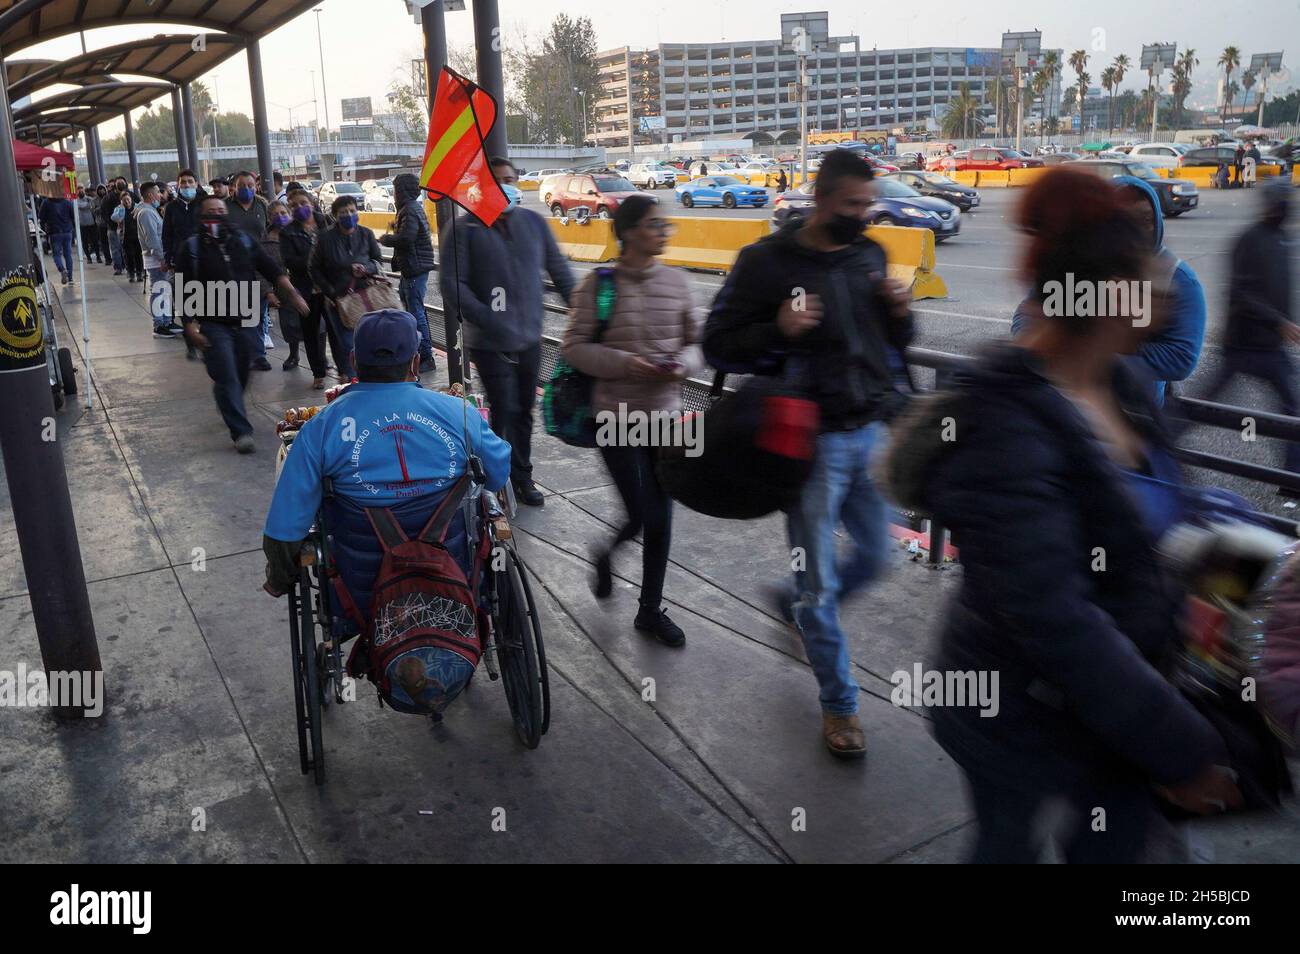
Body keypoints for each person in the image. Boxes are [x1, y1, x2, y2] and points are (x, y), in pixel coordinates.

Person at [883, 167, 1241, 862]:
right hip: (1017, 713)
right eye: (1149, 274)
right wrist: (1180, 746)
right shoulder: (1003, 423)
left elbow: (1163, 524)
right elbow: (1058, 620)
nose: (1170, 289)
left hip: (1111, 715)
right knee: (1010, 844)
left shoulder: (1126, 383)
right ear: (1109, 297)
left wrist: (1246, 581)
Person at [703, 148, 914, 758]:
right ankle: (840, 705)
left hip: (869, 432)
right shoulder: (766, 262)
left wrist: (899, 317)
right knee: (818, 584)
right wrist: (779, 328)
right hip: (810, 446)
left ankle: (795, 611)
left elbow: (892, 344)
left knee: (877, 558)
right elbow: (718, 346)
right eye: (852, 205)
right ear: (820, 200)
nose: (864, 215)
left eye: (868, 204)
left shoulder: (870, 254)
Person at [261, 311, 512, 636]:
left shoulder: (321, 429)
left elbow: (284, 529)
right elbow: (496, 474)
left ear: (353, 360)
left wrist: (280, 577)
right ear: (414, 363)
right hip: (457, 573)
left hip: (363, 598)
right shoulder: (458, 413)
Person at [561, 195, 701, 648]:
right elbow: (574, 348)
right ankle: (607, 553)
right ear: (628, 233)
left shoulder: (678, 283)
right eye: (652, 225)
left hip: (668, 416)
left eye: (663, 225)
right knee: (640, 514)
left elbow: (701, 344)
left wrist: (682, 364)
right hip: (614, 416)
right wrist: (625, 363)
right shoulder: (596, 286)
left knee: (662, 517)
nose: (661, 231)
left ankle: (648, 611)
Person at [439, 155, 577, 506]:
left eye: (510, 178)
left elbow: (560, 272)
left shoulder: (533, 223)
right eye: (497, 179)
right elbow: (454, 286)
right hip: (489, 342)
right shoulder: (463, 230)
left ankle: (522, 477)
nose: (506, 185)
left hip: (529, 338)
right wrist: (486, 317)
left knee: (524, 412)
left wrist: (584, 310)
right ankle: (493, 479)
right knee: (504, 409)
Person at [1011, 175, 1207, 403]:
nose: (1134, 230)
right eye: (1122, 220)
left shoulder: (1178, 278)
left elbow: (1180, 357)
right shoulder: (1073, 263)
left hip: (1136, 408)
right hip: (1066, 401)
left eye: (1145, 219)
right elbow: (1026, 316)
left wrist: (1096, 356)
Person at [177, 196, 309, 453]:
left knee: (242, 370)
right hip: (213, 320)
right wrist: (189, 325)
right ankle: (241, 431)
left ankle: (226, 396)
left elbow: (272, 269)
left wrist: (292, 293)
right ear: (201, 218)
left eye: (221, 211)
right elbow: (182, 289)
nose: (217, 216)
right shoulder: (191, 248)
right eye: (211, 212)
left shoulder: (244, 241)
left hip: (247, 316)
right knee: (226, 372)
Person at [1192, 179, 1300, 492]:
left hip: (1270, 346)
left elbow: (1277, 289)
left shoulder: (1280, 238)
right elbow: (1242, 292)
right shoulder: (1249, 240)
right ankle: (1164, 441)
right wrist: (1279, 322)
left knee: (1292, 411)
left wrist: (1284, 323)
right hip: (1243, 344)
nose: (1282, 209)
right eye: (1278, 204)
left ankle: (1292, 481)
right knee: (1206, 403)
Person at [309, 193, 384, 385]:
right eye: (343, 212)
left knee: (371, 337)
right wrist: (330, 292)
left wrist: (365, 268)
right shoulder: (325, 238)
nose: (348, 215)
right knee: (347, 342)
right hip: (339, 300)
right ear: (335, 216)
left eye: (352, 210)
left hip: (367, 296)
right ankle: (353, 378)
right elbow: (314, 268)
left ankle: (372, 376)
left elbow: (377, 261)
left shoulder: (366, 234)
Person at [379, 173, 436, 373]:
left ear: (401, 190)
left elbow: (407, 238)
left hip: (414, 268)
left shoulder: (409, 210)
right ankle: (420, 352)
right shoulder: (411, 208)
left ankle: (426, 356)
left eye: (395, 189)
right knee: (413, 310)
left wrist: (386, 239)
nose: (394, 194)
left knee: (416, 313)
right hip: (413, 267)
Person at [280, 188, 335, 388]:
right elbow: (290, 261)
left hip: (330, 288)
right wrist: (318, 259)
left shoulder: (327, 222)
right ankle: (318, 374)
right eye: (293, 205)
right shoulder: (288, 232)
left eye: (303, 202)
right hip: (306, 290)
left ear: (311, 202)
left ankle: (346, 371)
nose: (299, 207)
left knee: (336, 331)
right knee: (310, 333)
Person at [225, 170, 274, 367]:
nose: (246, 189)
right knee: (243, 312)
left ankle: (257, 353)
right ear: (234, 188)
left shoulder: (262, 205)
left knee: (260, 311)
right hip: (234, 265)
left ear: (256, 186)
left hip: (260, 263)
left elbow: (271, 229)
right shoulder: (225, 207)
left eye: (250, 185)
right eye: (242, 185)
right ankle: (248, 352)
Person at [136, 182, 179, 339]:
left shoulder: (150, 211)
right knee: (159, 290)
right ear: (150, 195)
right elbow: (153, 238)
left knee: (164, 290)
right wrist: (162, 258)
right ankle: (159, 324)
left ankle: (167, 321)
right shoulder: (146, 213)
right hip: (155, 258)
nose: (160, 195)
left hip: (158, 257)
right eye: (157, 192)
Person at [263, 199, 301, 372]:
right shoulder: (265, 241)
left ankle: (320, 359)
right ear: (269, 218)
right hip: (283, 290)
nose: (280, 217)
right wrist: (269, 292)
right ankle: (294, 354)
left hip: (306, 286)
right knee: (290, 324)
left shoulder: (301, 232)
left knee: (317, 325)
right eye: (275, 214)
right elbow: (261, 269)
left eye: (283, 213)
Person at [37, 192, 75, 286]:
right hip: (67, 231)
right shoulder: (67, 202)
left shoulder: (46, 202)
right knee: (68, 255)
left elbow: (41, 217)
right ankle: (70, 277)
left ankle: (62, 270)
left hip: (54, 232)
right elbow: (73, 216)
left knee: (56, 255)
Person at [119, 191, 144, 283]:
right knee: (129, 256)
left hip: (138, 235)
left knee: (138, 255)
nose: (127, 202)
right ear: (121, 201)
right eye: (124, 200)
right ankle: (131, 273)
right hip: (126, 236)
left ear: (131, 199)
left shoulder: (137, 206)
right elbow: (114, 217)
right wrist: (121, 208)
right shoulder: (120, 209)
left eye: (128, 199)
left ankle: (139, 273)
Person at [75, 186, 101, 264]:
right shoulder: (76, 201)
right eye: (79, 190)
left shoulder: (89, 198)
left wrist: (90, 204)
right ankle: (89, 258)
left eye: (81, 189)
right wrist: (89, 204)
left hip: (92, 223)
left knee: (95, 241)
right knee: (85, 242)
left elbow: (93, 206)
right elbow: (82, 206)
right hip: (82, 224)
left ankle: (98, 257)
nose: (80, 191)